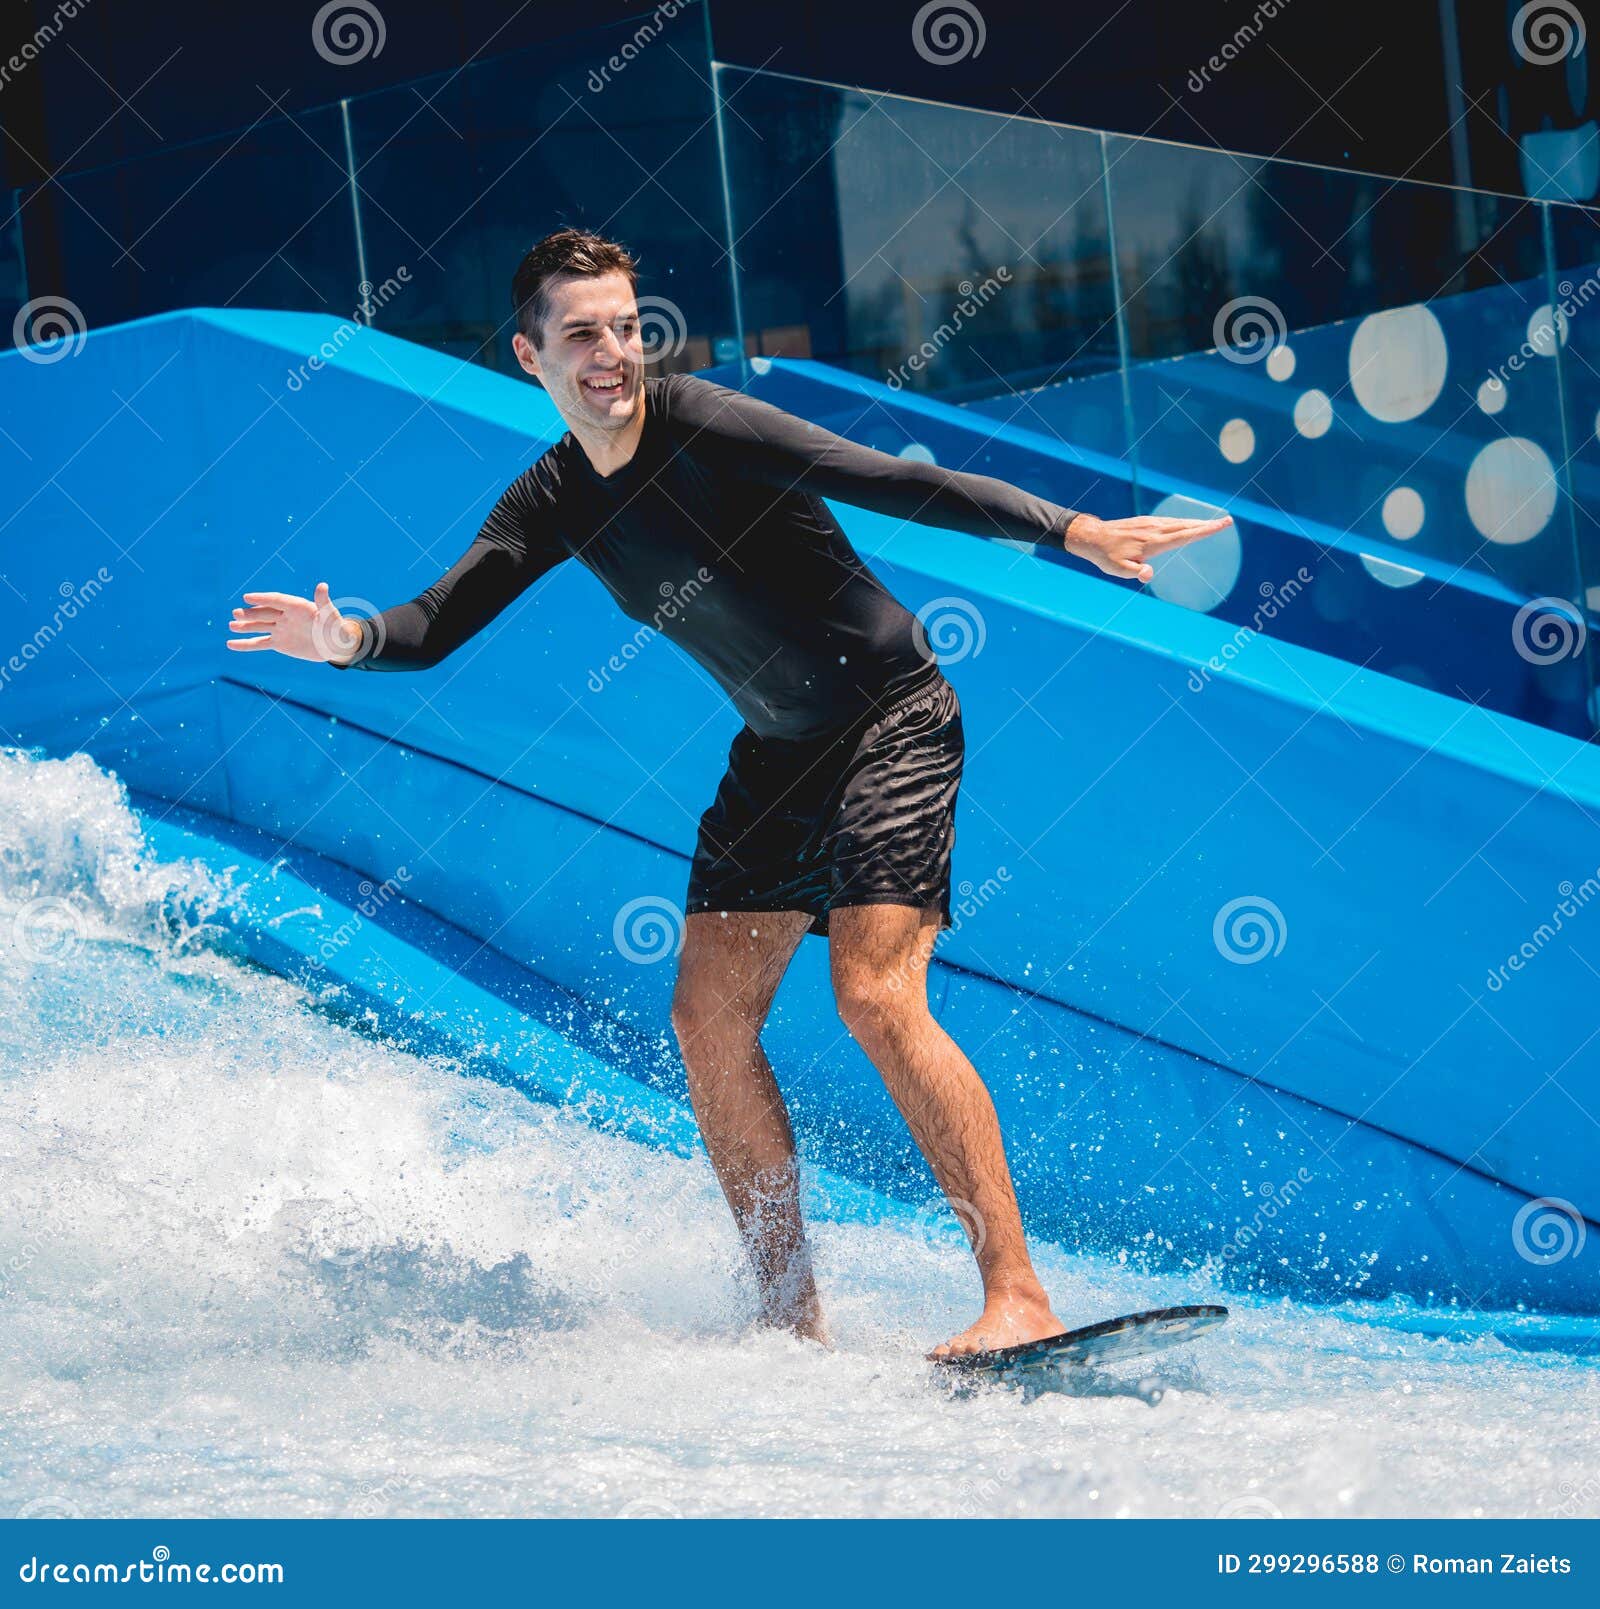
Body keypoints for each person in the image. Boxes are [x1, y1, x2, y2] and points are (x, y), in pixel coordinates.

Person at [227, 228, 1230, 1357]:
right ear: (529, 356)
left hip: (890, 718)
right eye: (580, 335)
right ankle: (786, 1315)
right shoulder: (549, 498)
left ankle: (1016, 1294)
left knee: (874, 996)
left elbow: (893, 480)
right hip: (777, 754)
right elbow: (434, 620)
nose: (610, 352)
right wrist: (346, 637)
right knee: (706, 1018)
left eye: (623, 326)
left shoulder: (705, 423)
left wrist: (1070, 527)